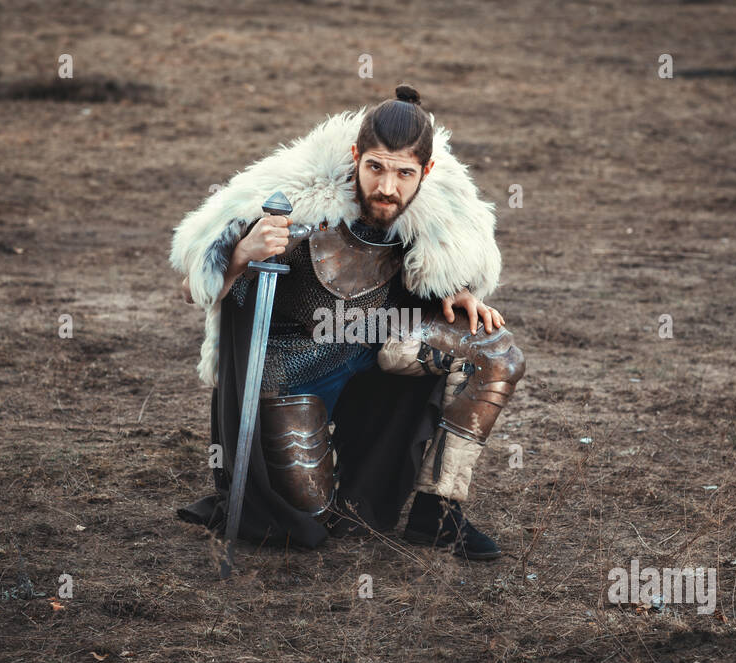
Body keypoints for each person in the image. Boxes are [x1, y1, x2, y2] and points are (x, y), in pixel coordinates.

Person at [171, 84, 525, 561]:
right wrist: (242, 253)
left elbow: (426, 266)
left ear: (427, 171)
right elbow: (193, 287)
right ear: (356, 155)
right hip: (292, 364)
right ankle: (333, 475)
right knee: (310, 520)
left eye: (404, 174)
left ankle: (437, 514)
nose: (386, 187)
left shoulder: (435, 212)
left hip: (374, 342)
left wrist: (453, 288)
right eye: (375, 167)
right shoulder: (294, 200)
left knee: (495, 354)